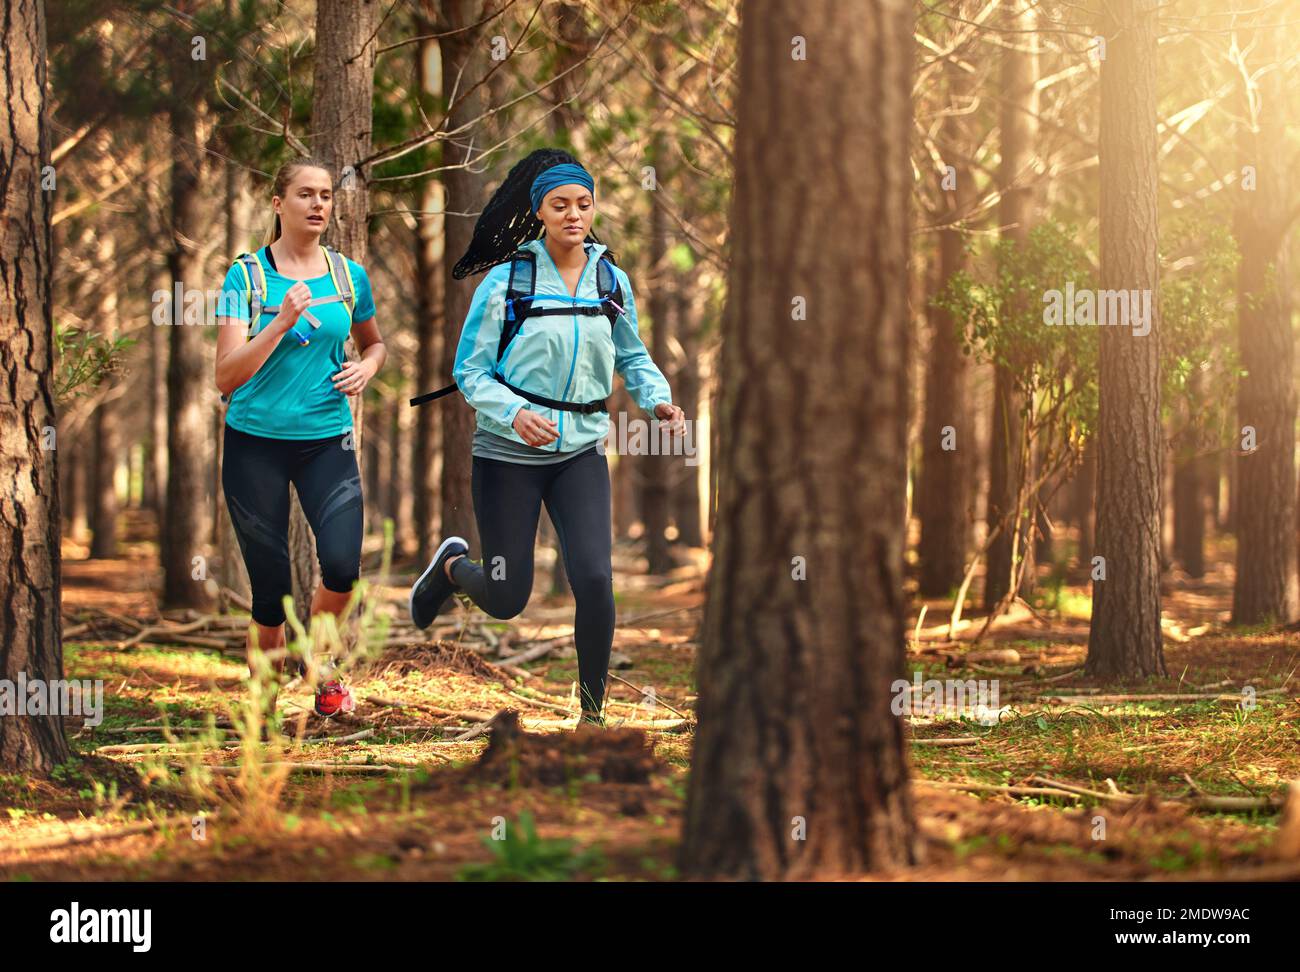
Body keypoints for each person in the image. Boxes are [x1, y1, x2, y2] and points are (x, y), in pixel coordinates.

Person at [409, 148, 686, 726]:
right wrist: (513, 413)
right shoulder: (508, 279)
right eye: (559, 205)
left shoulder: (611, 278)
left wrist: (655, 396)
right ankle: (454, 570)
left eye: (583, 204)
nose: (573, 214)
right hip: (508, 453)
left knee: (594, 577)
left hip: (581, 449)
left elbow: (632, 355)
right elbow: (471, 371)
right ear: (539, 212)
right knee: (509, 598)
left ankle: (592, 714)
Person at [214, 156, 386, 723]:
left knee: (341, 565)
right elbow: (226, 375)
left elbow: (375, 343)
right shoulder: (247, 277)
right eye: (306, 194)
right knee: (270, 593)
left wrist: (368, 368)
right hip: (253, 444)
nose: (318, 205)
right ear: (278, 203)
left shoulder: (347, 277)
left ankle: (320, 666)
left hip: (325, 441)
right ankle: (262, 717)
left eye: (326, 196)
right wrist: (280, 321)